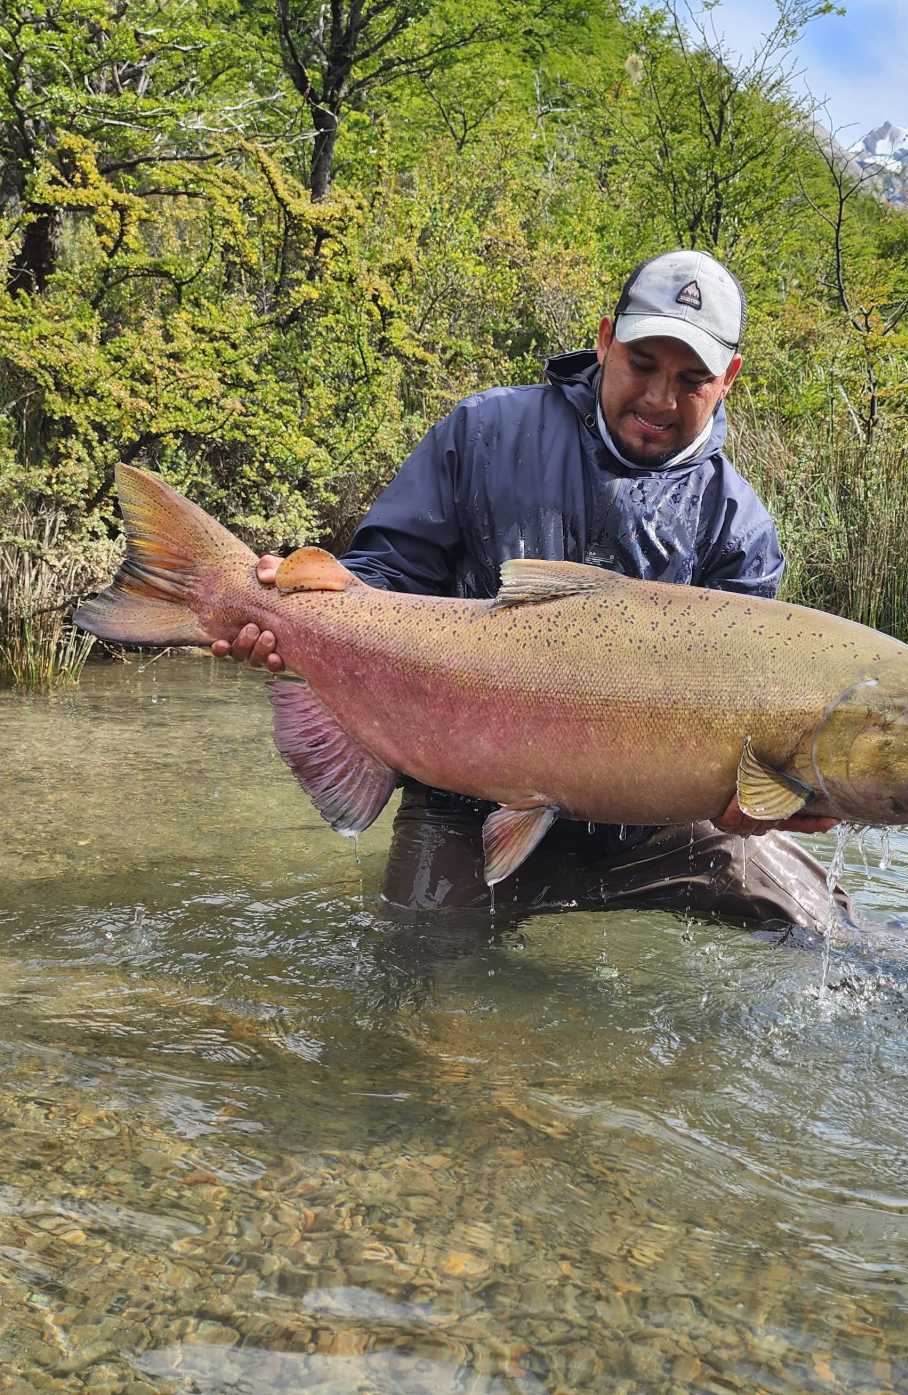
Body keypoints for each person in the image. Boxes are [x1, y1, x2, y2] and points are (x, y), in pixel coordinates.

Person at [214, 250, 854, 936]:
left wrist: (772, 791)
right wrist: (293, 617)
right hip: (471, 796)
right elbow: (385, 585)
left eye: (692, 379)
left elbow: (754, 731)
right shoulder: (484, 434)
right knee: (417, 978)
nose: (661, 399)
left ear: (728, 379)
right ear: (607, 339)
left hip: (657, 825)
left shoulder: (739, 528)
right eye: (642, 364)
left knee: (830, 929)